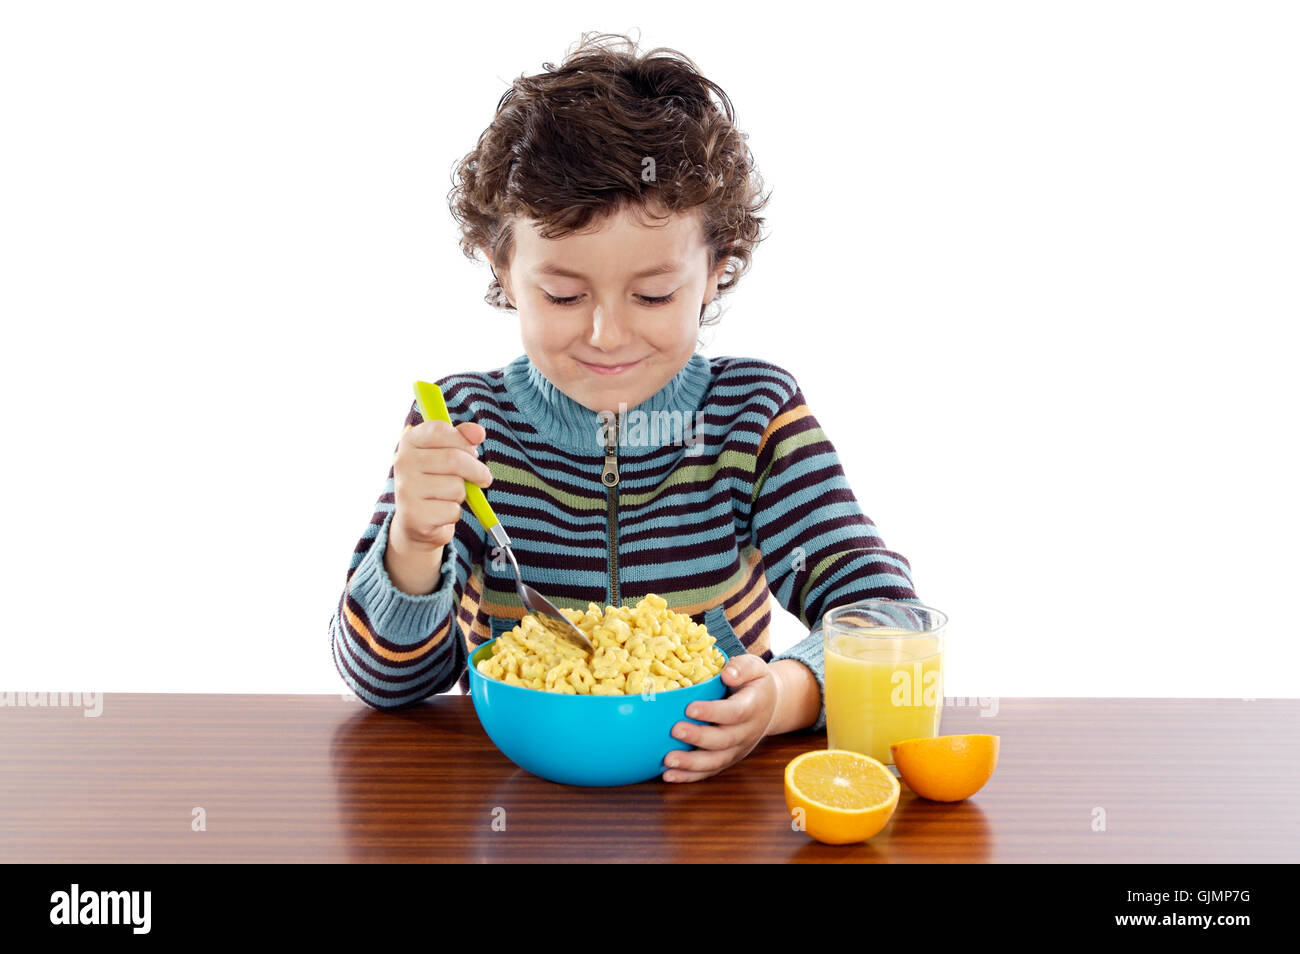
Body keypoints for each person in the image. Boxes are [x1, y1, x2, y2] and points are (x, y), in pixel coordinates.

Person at [329, 31, 920, 783]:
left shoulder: (753, 418)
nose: (607, 334)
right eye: (564, 295)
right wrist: (414, 543)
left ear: (717, 269)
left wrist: (783, 698)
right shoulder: (461, 426)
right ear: (503, 270)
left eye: (654, 294)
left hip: (712, 811)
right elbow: (387, 686)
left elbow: (888, 619)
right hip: (519, 804)